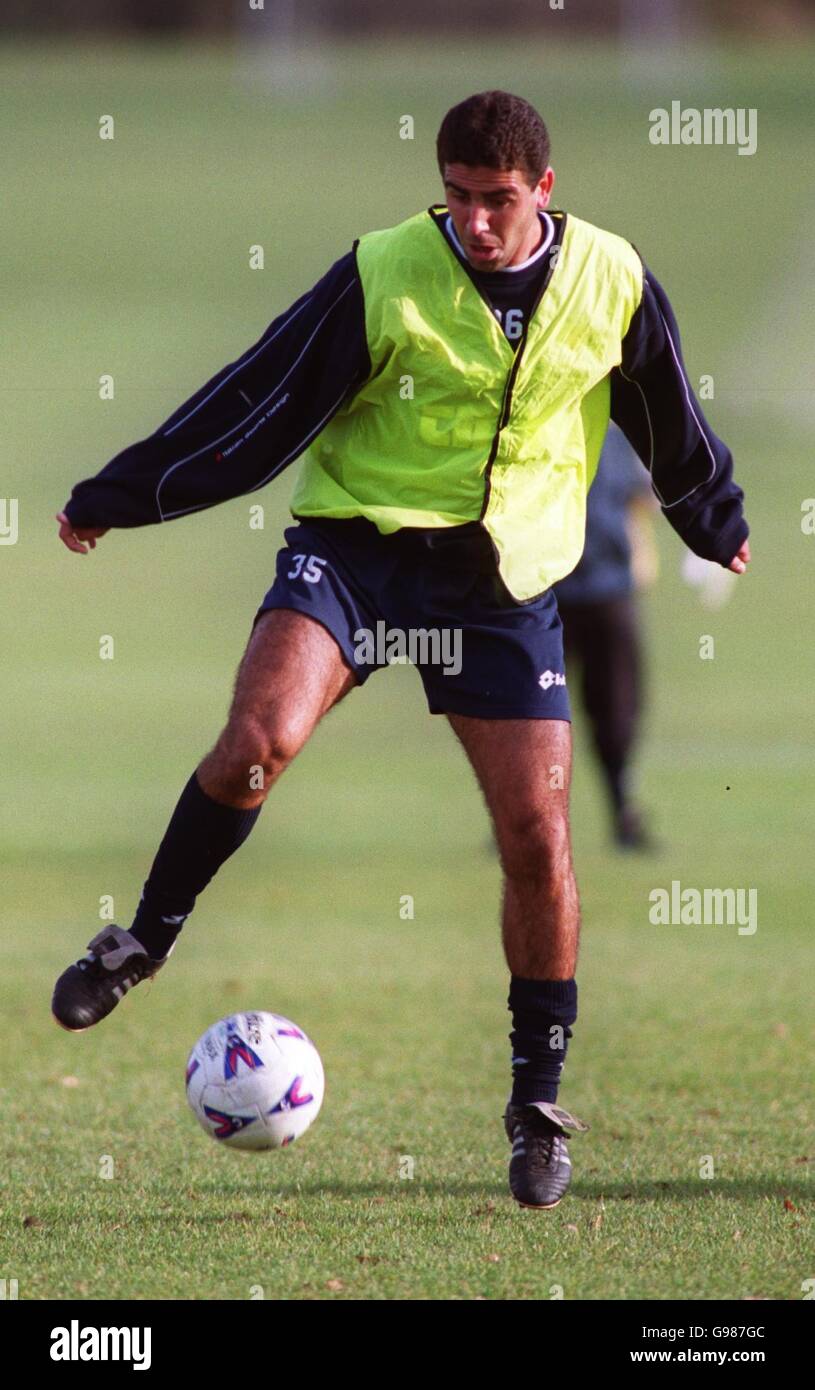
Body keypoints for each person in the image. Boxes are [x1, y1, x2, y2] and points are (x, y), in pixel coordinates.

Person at [52, 91, 750, 1211]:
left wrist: (711, 514)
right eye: (459, 198)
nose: (473, 222)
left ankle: (535, 1102)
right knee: (254, 744)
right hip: (357, 554)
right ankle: (140, 939)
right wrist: (121, 494)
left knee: (536, 834)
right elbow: (259, 398)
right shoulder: (384, 269)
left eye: (498, 201)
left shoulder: (610, 278)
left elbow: (662, 409)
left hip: (500, 583)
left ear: (543, 192)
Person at [554, 422, 658, 850]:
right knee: (532, 709)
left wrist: (644, 554)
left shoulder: (621, 429)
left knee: (618, 708)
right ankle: (523, 815)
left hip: (609, 588)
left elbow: (640, 498)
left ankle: (622, 811)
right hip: (545, 590)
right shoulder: (544, 421)